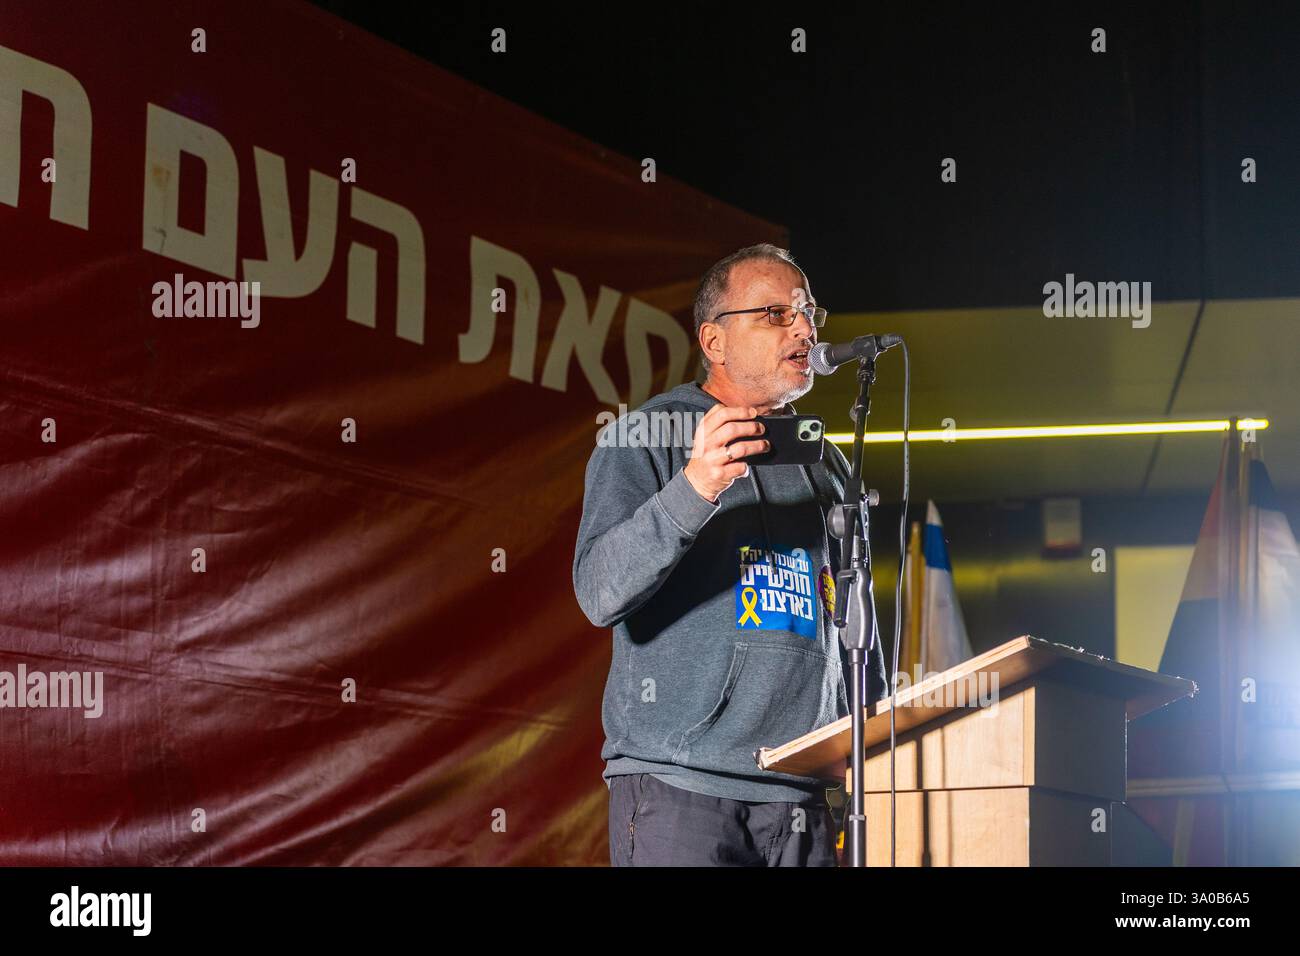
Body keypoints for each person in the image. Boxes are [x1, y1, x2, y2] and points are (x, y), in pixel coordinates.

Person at [573, 243, 889, 866]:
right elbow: (598, 592)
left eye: (809, 314)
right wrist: (694, 489)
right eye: (777, 313)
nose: (803, 328)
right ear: (714, 342)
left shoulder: (828, 464)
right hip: (683, 788)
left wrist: (873, 754)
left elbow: (858, 632)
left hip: (806, 798)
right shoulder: (645, 436)